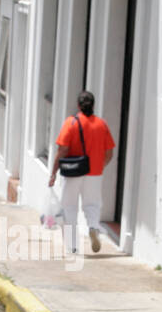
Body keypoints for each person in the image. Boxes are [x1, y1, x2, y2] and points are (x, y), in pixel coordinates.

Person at [47, 91, 115, 254]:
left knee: (69, 207)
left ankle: (73, 246)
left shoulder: (71, 123)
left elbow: (62, 149)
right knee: (92, 205)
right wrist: (100, 166)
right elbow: (110, 153)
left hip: (73, 172)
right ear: (93, 105)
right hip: (95, 173)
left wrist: (54, 172)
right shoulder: (102, 125)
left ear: (78, 105)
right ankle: (92, 227)